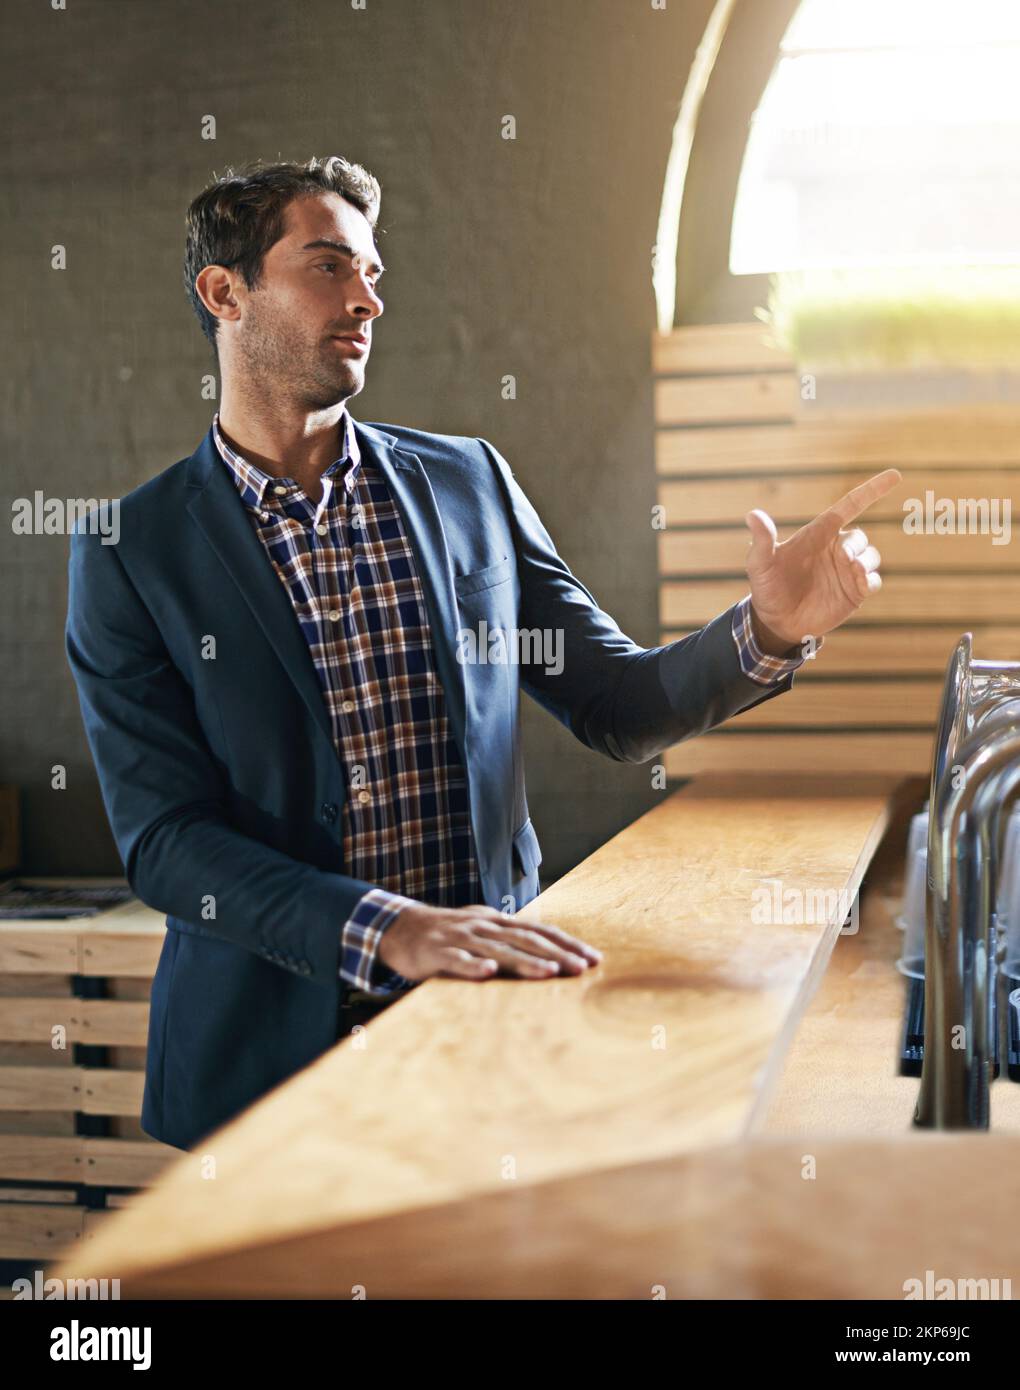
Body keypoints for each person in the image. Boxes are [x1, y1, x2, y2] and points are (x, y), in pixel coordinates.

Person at [65, 156, 898, 1150]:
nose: (367, 297)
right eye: (328, 266)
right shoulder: (131, 550)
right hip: (263, 1068)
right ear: (223, 291)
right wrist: (390, 926)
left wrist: (764, 631)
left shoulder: (470, 483)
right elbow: (167, 843)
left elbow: (619, 704)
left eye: (374, 272)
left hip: (484, 1027)